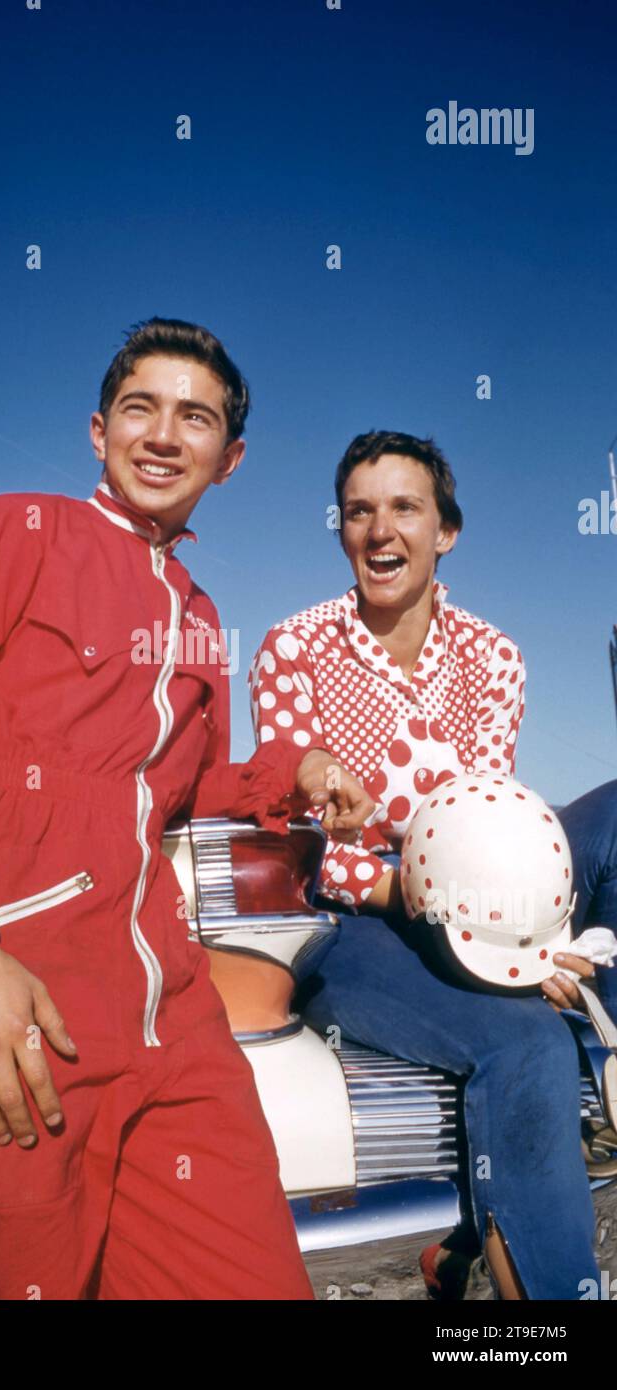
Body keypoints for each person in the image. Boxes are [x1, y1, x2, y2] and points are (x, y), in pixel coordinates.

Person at [0, 318, 361, 1302]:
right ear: (98, 430)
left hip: (167, 1019)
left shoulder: (201, 619)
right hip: (1, 991)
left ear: (228, 458)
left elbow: (169, 785)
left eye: (193, 417)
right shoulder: (8, 530)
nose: (162, 434)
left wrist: (287, 775)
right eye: (138, 408)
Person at [249, 429, 617, 1301]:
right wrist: (407, 894)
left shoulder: (495, 657)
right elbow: (303, 842)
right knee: (523, 1040)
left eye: (405, 508)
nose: (381, 531)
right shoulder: (293, 647)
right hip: (358, 919)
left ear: (445, 529)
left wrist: (536, 935)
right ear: (341, 530)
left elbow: (494, 827)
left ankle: (609, 1050)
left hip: (474, 899)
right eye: (359, 511)